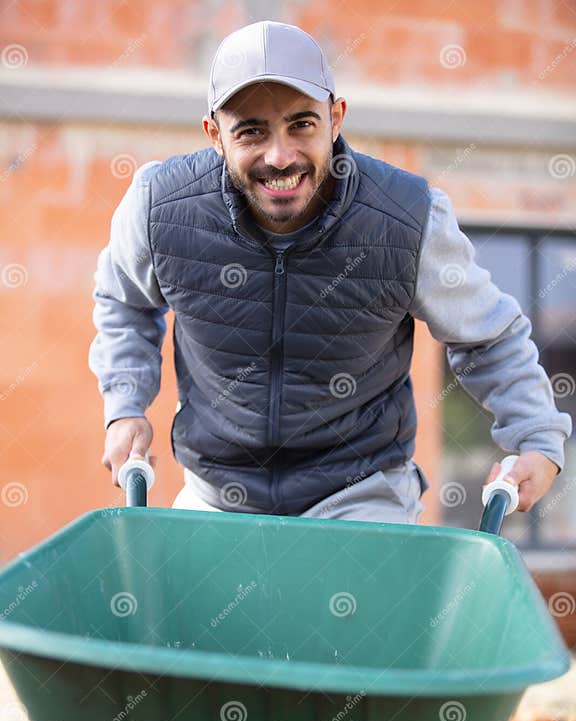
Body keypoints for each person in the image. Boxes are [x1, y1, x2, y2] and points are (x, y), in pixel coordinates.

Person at [89, 20, 571, 524]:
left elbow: (488, 339)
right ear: (214, 135)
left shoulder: (407, 220)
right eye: (251, 130)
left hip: (360, 490)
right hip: (218, 488)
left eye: (302, 124)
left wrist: (536, 437)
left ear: (335, 119)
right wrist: (125, 405)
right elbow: (124, 301)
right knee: (194, 603)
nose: (280, 156)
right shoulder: (161, 208)